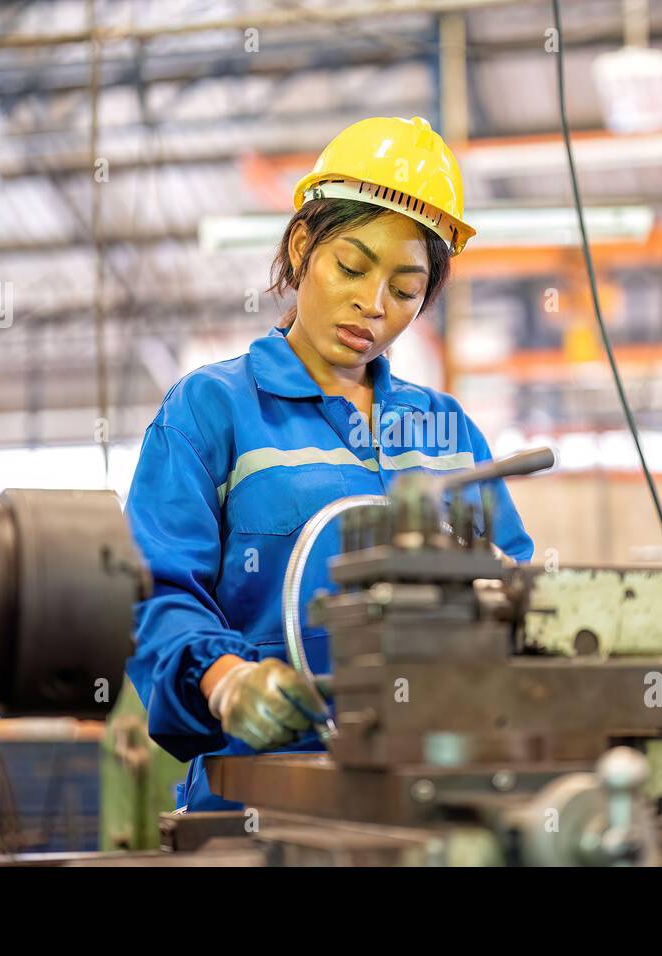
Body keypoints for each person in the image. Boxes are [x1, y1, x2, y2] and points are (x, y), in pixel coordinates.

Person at [123, 116, 535, 811]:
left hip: (433, 803)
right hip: (257, 805)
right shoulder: (210, 412)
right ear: (301, 244)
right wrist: (226, 681)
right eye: (352, 265)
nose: (372, 305)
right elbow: (153, 592)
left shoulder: (449, 433)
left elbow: (520, 595)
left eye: (405, 290)